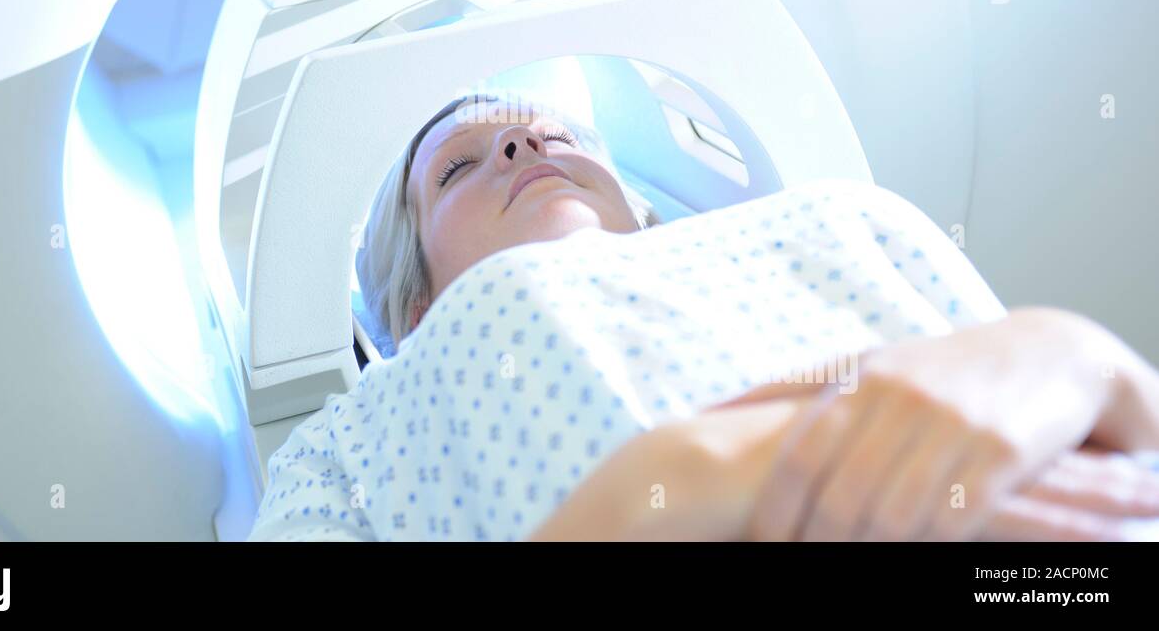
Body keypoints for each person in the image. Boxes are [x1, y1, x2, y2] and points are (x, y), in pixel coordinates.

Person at [249, 92, 1159, 541]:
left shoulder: (836, 215)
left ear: (640, 206)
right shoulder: (352, 431)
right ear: (416, 309)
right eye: (459, 167)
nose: (525, 141)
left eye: (553, 134)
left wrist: (1074, 353)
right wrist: (632, 505)